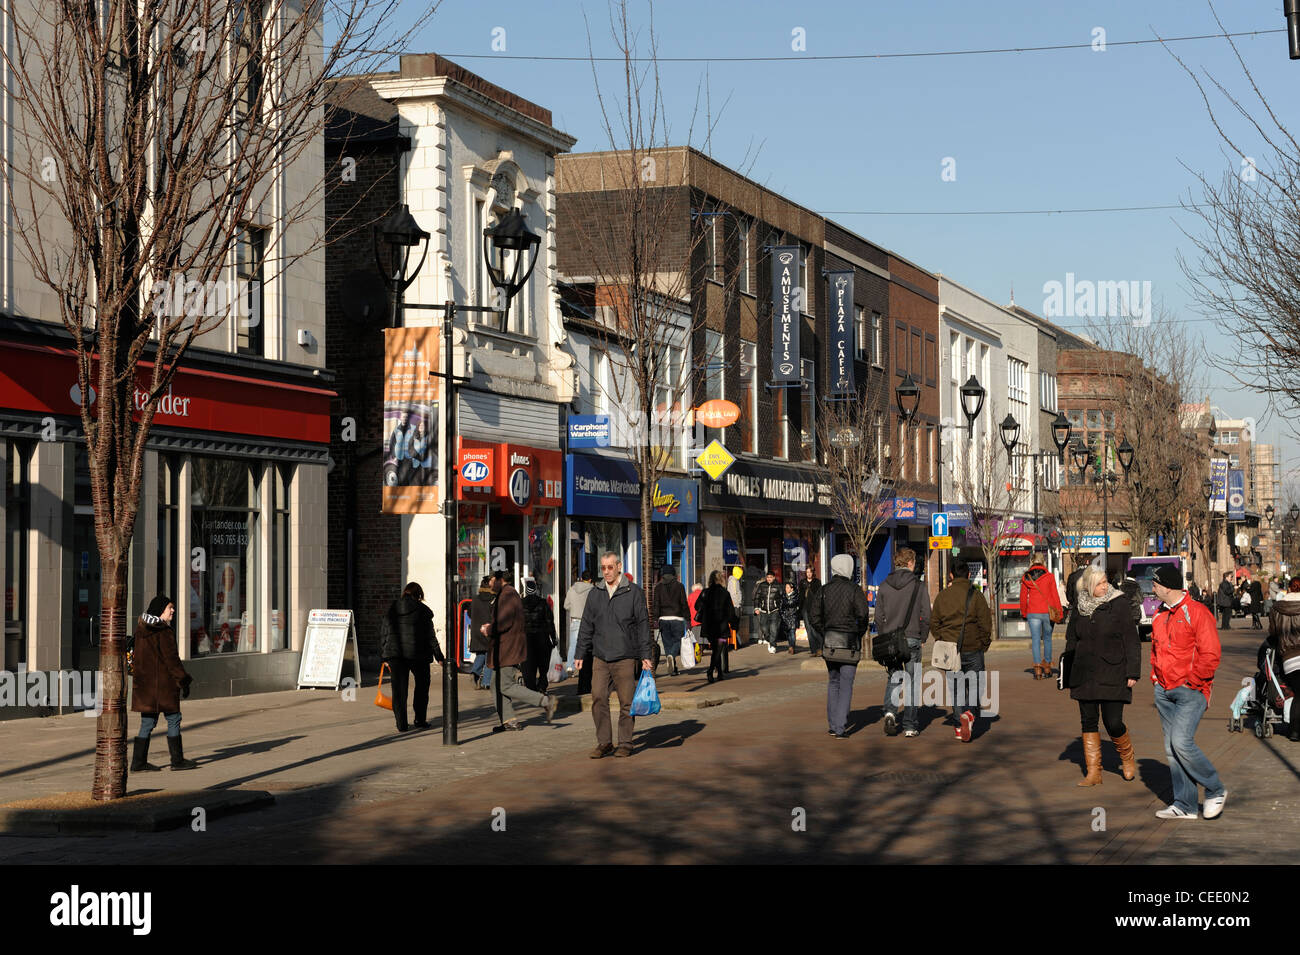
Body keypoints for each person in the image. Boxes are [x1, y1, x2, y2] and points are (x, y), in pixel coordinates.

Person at [1149, 564, 1226, 820]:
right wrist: (1156, 679)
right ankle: (1185, 805)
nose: (1152, 587)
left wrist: (1193, 682)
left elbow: (1211, 653)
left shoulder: (1197, 612)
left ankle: (1215, 789)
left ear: (1167, 586)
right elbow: (1156, 649)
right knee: (1172, 748)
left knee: (1181, 742)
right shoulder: (1159, 614)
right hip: (1164, 690)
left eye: (1155, 583)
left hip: (1190, 690)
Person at [1065, 566, 1140, 786]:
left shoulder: (1119, 604)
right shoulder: (1080, 606)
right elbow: (1072, 639)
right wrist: (1067, 671)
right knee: (1088, 721)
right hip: (1084, 672)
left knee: (1113, 722)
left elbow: (1131, 640)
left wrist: (1132, 671)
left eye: (1105, 581)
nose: (1104, 586)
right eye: (1099, 583)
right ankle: (1094, 772)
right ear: (1088, 585)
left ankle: (1127, 757)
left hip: (1113, 670)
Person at [574, 552, 653, 758]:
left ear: (619, 566)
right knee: (598, 697)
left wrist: (645, 654)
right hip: (600, 656)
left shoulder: (633, 592)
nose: (606, 572)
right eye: (603, 568)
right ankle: (604, 742)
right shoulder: (595, 593)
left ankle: (625, 742)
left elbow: (643, 625)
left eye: (610, 567)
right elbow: (586, 625)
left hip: (625, 656)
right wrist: (580, 653)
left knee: (627, 702)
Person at [481, 571, 558, 731]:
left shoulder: (508, 595)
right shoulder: (505, 594)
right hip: (503, 649)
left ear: (500, 580)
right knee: (497, 686)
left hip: (508, 649)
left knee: (506, 685)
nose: (489, 584)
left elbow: (504, 623)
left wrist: (489, 629)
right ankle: (508, 720)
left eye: (491, 580)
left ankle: (545, 701)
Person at [130, 595, 198, 771]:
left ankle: (138, 762)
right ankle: (177, 761)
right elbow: (172, 661)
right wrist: (184, 681)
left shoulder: (140, 630)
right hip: (164, 687)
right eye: (170, 608)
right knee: (174, 718)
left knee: (147, 723)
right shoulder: (164, 632)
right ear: (161, 610)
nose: (173, 611)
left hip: (145, 687)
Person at [930, 559, 992, 742]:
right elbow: (985, 623)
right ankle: (970, 714)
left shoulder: (943, 596)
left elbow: (934, 623)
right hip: (973, 647)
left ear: (951, 575)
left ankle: (958, 726)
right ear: (969, 574)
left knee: (956, 688)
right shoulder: (976, 596)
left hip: (950, 649)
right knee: (975, 685)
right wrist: (984, 644)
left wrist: (942, 638)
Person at [808, 554, 869, 739]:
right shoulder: (854, 589)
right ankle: (841, 727)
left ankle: (834, 724)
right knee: (846, 684)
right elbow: (863, 614)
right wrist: (857, 632)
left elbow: (813, 616)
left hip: (830, 643)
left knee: (833, 682)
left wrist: (825, 633)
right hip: (849, 643)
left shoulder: (824, 590)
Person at [379, 582, 446, 733]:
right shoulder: (423, 611)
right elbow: (431, 637)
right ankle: (420, 720)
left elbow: (384, 631)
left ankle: (401, 724)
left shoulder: (393, 608)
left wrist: (384, 654)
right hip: (419, 654)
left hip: (396, 655)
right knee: (422, 688)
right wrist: (439, 656)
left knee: (399, 690)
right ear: (419, 595)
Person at [876, 547, 929, 738]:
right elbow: (926, 614)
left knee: (894, 677)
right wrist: (923, 636)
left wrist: (884, 635)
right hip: (913, 637)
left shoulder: (883, 585)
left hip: (891, 641)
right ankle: (909, 725)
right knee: (913, 681)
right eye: (914, 563)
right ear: (909, 563)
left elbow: (878, 616)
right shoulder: (919, 586)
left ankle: (890, 711)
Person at [1265, 577, 1300, 741]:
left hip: (1288, 657)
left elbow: (1272, 633)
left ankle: (1294, 730)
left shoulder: (1277, 609)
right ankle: (1294, 730)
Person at [1019, 552, 1063, 681]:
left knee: (1036, 640)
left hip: (1033, 612)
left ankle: (1037, 669)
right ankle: (1047, 667)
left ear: (1032, 562)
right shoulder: (1049, 577)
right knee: (1048, 639)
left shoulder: (1027, 577)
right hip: (1047, 613)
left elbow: (1023, 597)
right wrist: (1059, 612)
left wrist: (1024, 612)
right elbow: (1055, 595)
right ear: (1043, 561)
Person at [698, 570, 738, 683]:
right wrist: (734, 624)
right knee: (717, 650)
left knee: (716, 649)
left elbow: (697, 606)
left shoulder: (705, 592)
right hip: (721, 627)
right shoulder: (725, 593)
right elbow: (731, 612)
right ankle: (710, 671)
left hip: (709, 626)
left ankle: (719, 672)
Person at [651, 565, 689, 676]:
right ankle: (672, 656)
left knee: (667, 643)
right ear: (673, 574)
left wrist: (655, 619)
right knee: (677, 641)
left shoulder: (658, 587)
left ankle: (673, 668)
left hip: (663, 618)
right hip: (677, 618)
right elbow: (684, 603)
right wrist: (688, 619)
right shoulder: (680, 586)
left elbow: (656, 604)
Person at [521, 579, 556, 693]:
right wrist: (553, 638)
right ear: (536, 590)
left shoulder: (520, 604)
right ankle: (542, 685)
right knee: (543, 664)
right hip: (542, 637)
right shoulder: (543, 603)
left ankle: (530, 687)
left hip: (526, 638)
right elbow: (550, 621)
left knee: (528, 665)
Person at [562, 569, 594, 677]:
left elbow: (566, 606)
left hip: (575, 619)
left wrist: (574, 609)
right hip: (588, 621)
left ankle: (570, 666)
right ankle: (584, 667)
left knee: (573, 644)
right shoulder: (593, 590)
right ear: (590, 580)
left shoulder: (572, 589)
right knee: (588, 644)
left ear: (581, 578)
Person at [469, 575, 496, 690]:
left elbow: (470, 613)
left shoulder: (475, 599)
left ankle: (475, 672)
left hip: (477, 631)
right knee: (490, 655)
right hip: (488, 630)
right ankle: (486, 682)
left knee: (481, 653)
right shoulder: (494, 599)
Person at [753, 568, 781, 653]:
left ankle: (772, 645)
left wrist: (779, 607)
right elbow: (757, 597)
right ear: (766, 577)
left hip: (774, 611)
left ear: (774, 578)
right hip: (764, 611)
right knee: (764, 628)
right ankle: (769, 640)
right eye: (768, 577)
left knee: (774, 629)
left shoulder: (778, 586)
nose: (769, 578)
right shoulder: (761, 585)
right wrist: (756, 608)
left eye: (771, 577)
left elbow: (781, 598)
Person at [799, 566, 824, 657]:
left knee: (814, 629)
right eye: (807, 572)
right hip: (805, 608)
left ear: (813, 573)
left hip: (814, 608)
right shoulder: (802, 582)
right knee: (808, 630)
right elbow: (800, 596)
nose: (808, 574)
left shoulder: (817, 582)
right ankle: (813, 650)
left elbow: (819, 595)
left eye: (810, 572)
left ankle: (821, 647)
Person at [779, 580, 802, 654]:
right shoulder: (783, 595)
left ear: (792, 589)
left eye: (788, 587)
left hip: (793, 616)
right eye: (786, 587)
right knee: (788, 633)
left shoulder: (796, 596)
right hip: (785, 617)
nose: (786, 589)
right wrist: (782, 613)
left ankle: (792, 646)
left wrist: (785, 601)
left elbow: (792, 603)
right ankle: (790, 645)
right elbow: (781, 606)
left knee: (792, 632)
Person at [687, 581, 704, 653]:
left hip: (694, 619)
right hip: (703, 619)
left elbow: (687, 607)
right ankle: (701, 648)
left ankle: (696, 650)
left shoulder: (691, 596)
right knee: (702, 635)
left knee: (694, 635)